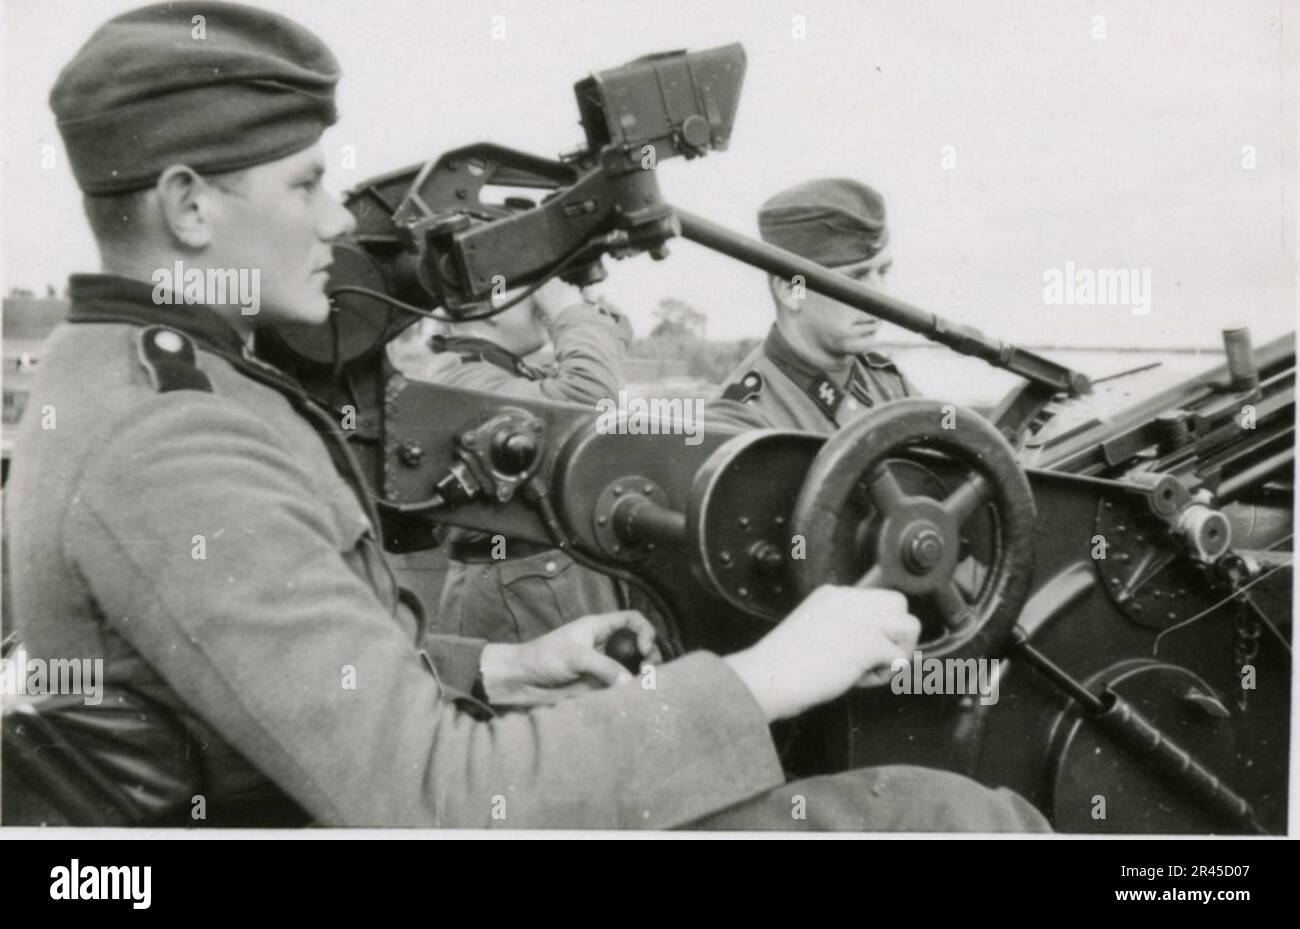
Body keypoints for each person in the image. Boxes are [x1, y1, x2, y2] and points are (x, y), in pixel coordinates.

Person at [4, 1, 1048, 831]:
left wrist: (497, 666)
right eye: (307, 183)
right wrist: (764, 676)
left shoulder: (139, 375)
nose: (335, 219)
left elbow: (274, 694)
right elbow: (431, 800)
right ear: (189, 208)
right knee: (957, 819)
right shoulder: (172, 440)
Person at [421, 283, 645, 645]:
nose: (544, 301)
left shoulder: (490, 367)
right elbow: (592, 400)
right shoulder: (462, 377)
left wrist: (583, 306)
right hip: (525, 593)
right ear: (490, 301)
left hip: (535, 581)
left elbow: (607, 352)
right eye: (535, 288)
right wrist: (568, 310)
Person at [716, 178, 915, 433]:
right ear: (791, 290)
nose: (880, 299)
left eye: (883, 272)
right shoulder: (742, 418)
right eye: (855, 277)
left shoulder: (889, 383)